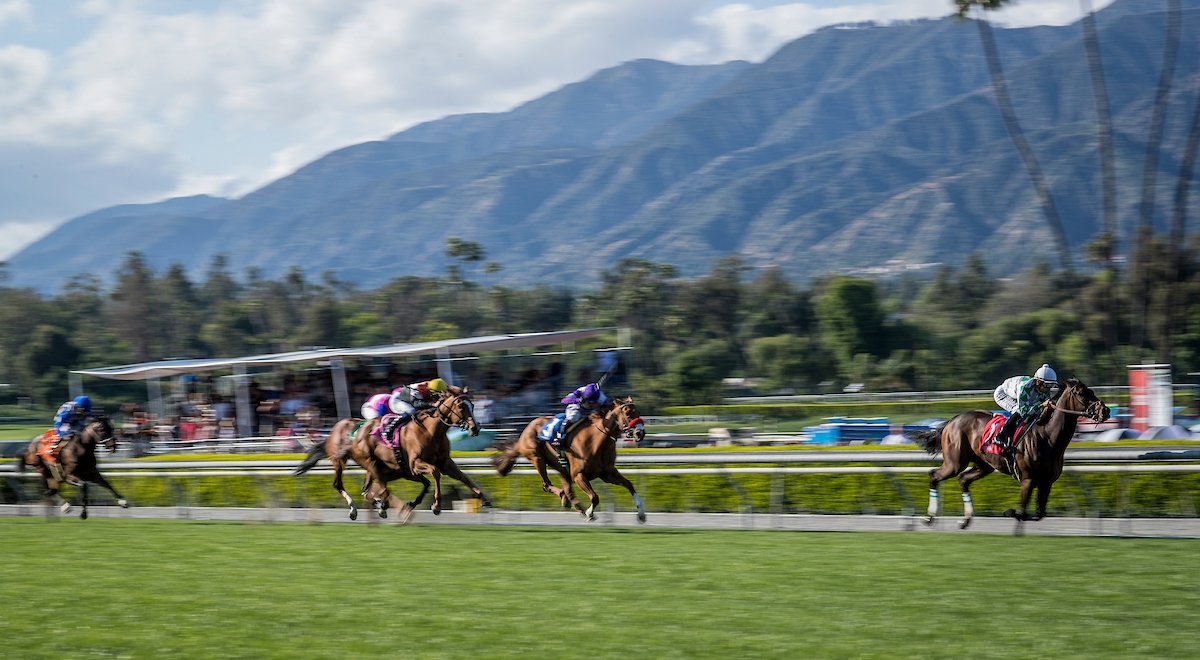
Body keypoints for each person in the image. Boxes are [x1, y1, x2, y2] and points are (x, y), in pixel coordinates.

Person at [991, 364, 1057, 455]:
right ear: (1038, 382)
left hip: (1017, 394)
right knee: (1017, 410)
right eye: (1047, 385)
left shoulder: (1044, 389)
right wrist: (1041, 405)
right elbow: (1024, 412)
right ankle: (999, 436)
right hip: (1003, 394)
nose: (1048, 389)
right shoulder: (1025, 388)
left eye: (1051, 385)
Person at [379, 378, 450, 439]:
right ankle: (389, 430)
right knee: (411, 411)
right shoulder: (417, 390)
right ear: (429, 389)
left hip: (410, 400)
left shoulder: (435, 385)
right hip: (398, 401)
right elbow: (417, 404)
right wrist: (433, 404)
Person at [551, 383, 609, 448]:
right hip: (577, 409)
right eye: (589, 401)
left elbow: (607, 407)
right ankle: (559, 437)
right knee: (574, 417)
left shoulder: (602, 398)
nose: (591, 403)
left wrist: (603, 408)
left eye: (594, 402)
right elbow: (564, 400)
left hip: (591, 411)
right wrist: (577, 400)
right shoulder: (580, 391)